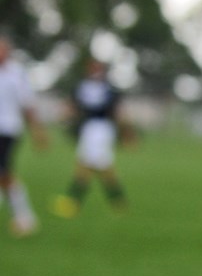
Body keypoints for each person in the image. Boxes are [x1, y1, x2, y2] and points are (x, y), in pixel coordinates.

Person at [53, 58, 133, 218]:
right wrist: (65, 115)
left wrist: (126, 131)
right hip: (88, 129)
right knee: (97, 167)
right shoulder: (83, 87)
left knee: (89, 166)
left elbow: (118, 112)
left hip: (102, 129)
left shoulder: (109, 90)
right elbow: (73, 105)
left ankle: (73, 202)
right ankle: (117, 200)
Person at [0, 34, 49, 238]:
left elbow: (28, 104)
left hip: (8, 129)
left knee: (4, 172)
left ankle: (25, 216)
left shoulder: (17, 74)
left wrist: (37, 130)